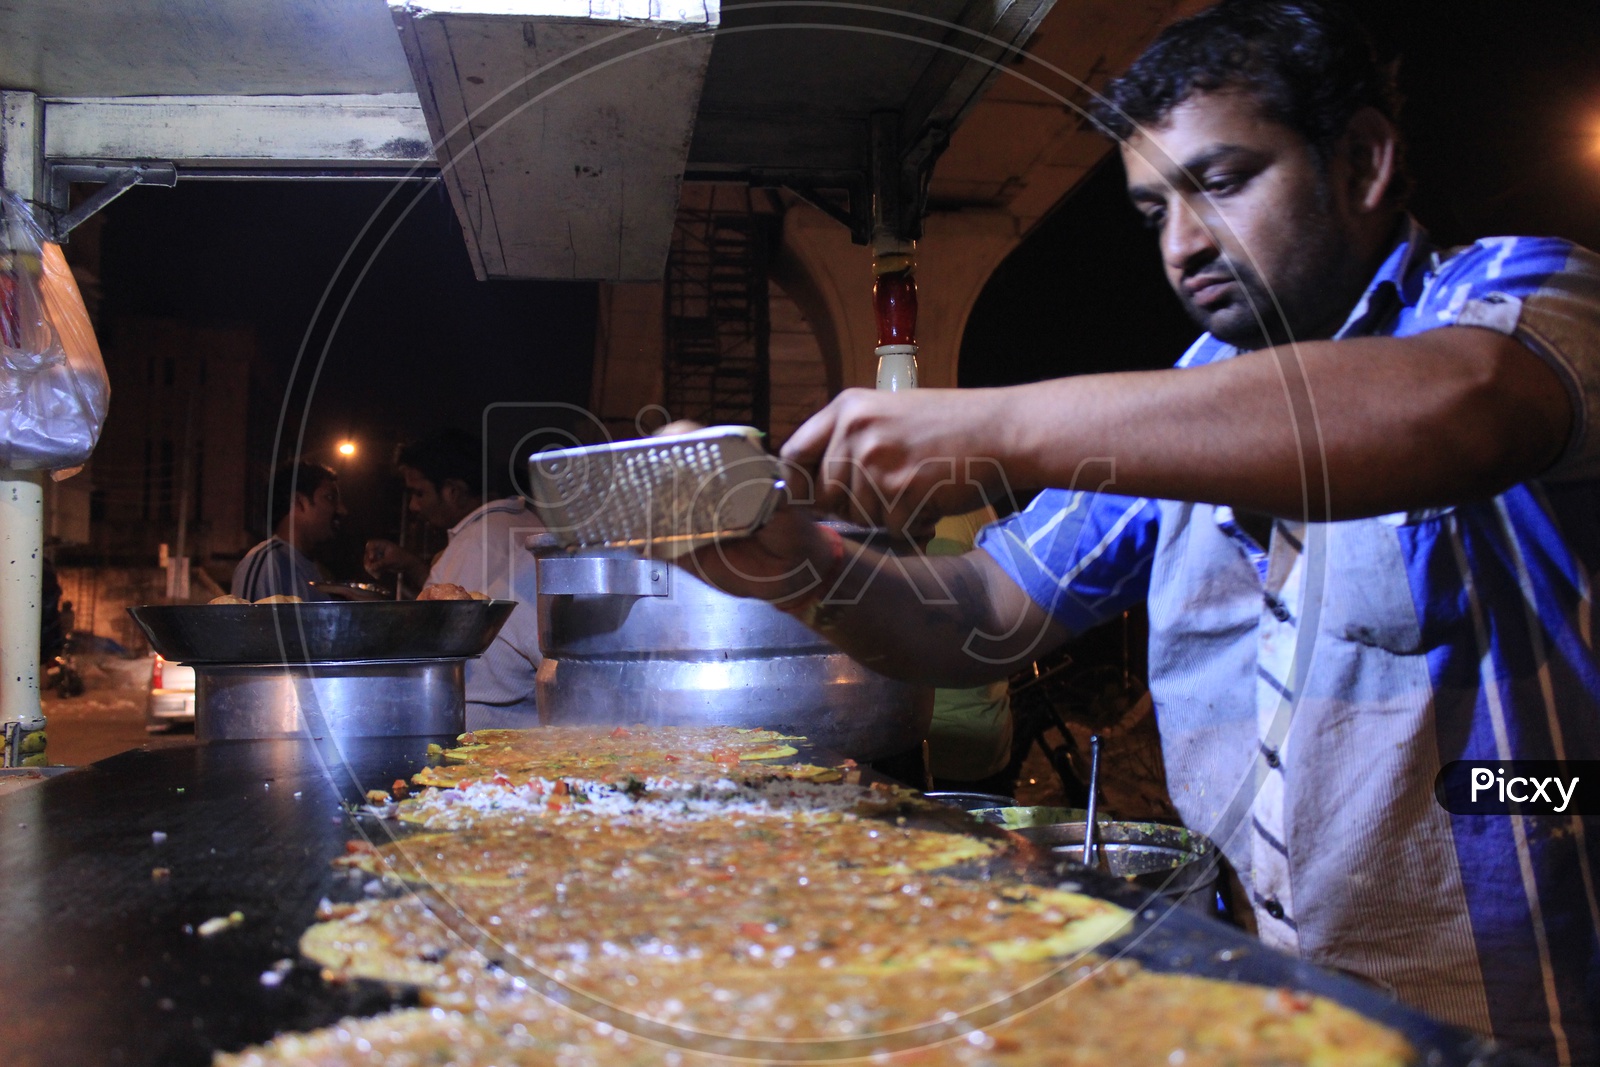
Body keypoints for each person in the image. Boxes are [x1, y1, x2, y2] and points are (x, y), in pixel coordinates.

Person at [684, 2, 1600, 1061]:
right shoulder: (1186, 405)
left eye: (1221, 181)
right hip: (1285, 1015)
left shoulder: (1522, 296)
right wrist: (805, 566)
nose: (1183, 243)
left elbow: (1458, 405)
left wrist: (998, 424)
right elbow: (978, 613)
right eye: (1152, 206)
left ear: (1362, 160)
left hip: (1532, 1021)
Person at [364, 430, 545, 727]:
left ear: (453, 491)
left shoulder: (479, 541)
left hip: (488, 739)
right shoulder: (521, 523)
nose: (413, 506)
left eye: (419, 492)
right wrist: (412, 566)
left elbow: (436, 635)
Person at [232, 460, 346, 601]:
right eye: (330, 498)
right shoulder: (267, 562)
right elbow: (244, 621)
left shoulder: (317, 571)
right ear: (299, 501)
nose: (341, 510)